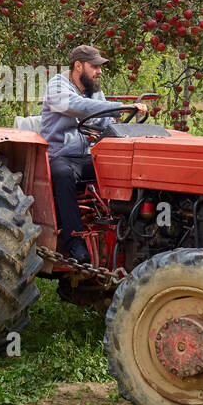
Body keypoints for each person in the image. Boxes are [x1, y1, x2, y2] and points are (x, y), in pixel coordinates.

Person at [40, 45, 147, 261]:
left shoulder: (95, 91)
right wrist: (121, 107)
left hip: (86, 154)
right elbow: (77, 106)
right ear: (78, 66)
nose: (99, 71)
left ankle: (126, 229)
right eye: (94, 66)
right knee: (63, 174)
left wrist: (119, 121)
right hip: (59, 154)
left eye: (100, 67)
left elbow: (103, 118)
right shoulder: (57, 86)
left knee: (120, 167)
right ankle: (74, 240)